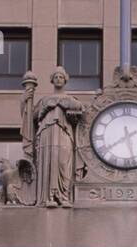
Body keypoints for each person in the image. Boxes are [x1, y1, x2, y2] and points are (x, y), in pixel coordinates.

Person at [33, 68, 83, 207]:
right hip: (47, 132)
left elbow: (80, 108)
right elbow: (34, 115)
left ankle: (64, 196)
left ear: (65, 79)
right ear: (52, 80)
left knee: (63, 162)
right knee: (49, 161)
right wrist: (46, 108)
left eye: (61, 77)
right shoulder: (45, 100)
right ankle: (50, 196)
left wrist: (63, 103)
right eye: (56, 77)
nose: (58, 79)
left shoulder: (70, 99)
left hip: (64, 132)